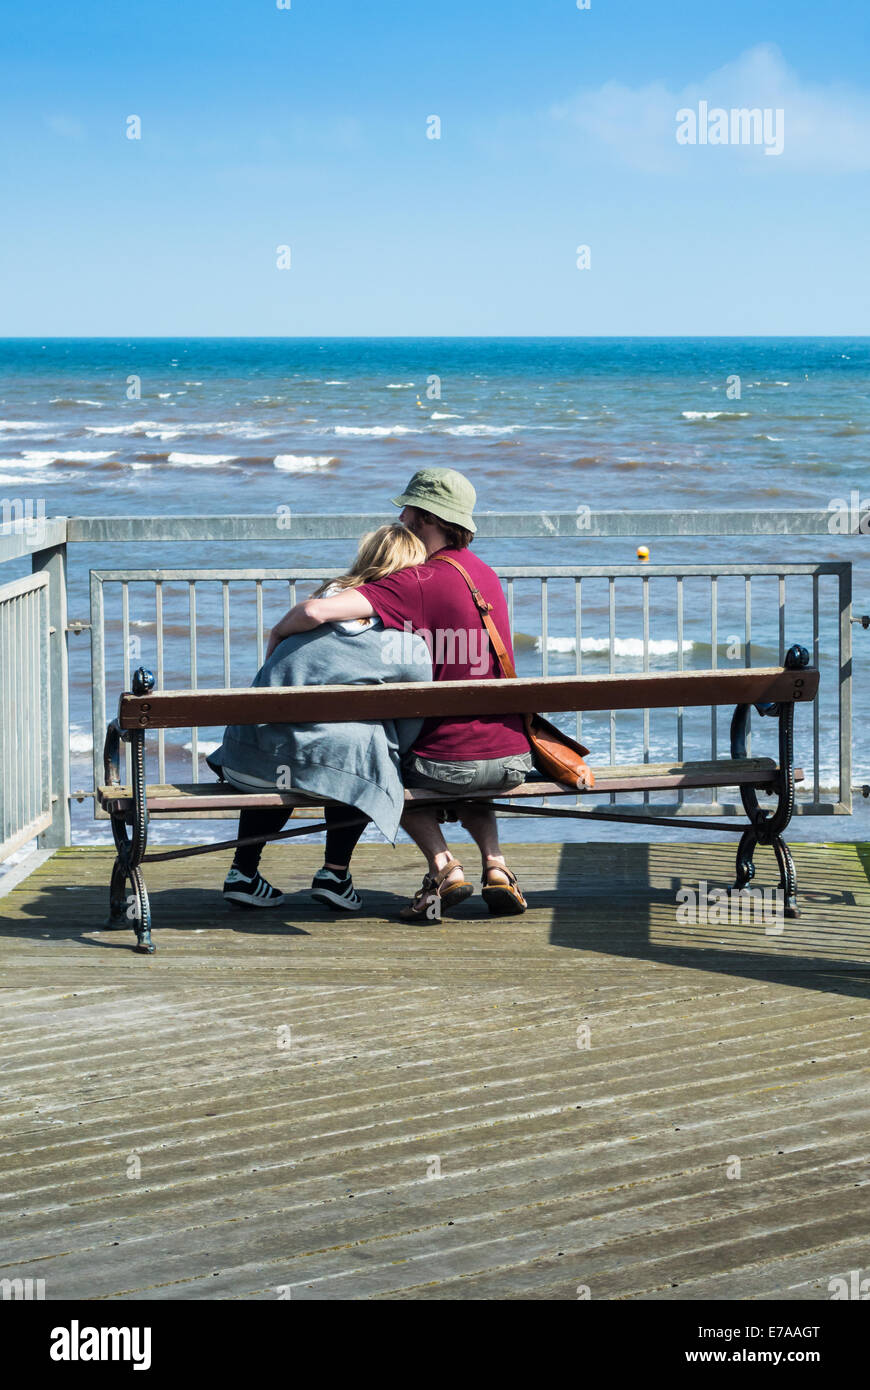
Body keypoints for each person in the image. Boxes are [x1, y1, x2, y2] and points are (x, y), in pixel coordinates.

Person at [266, 468, 533, 919]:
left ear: (423, 517)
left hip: (449, 767)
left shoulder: (416, 581)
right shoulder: (486, 575)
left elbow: (315, 610)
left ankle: (444, 865)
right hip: (511, 759)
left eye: (406, 508)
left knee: (387, 767)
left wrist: (276, 636)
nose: (401, 515)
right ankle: (496, 864)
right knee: (472, 743)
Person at [208, 524, 431, 911]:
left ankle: (243, 871)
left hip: (244, 764)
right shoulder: (404, 642)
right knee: (364, 749)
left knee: (293, 746)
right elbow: (412, 723)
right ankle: (334, 873)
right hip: (328, 777)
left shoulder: (303, 618)